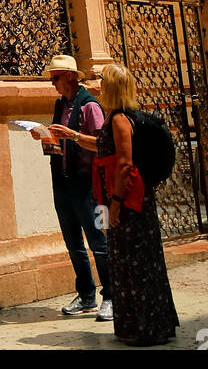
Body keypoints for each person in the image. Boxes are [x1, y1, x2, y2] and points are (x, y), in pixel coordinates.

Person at [54, 62, 179, 346]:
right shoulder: (114, 117)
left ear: (112, 86)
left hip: (129, 202)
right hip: (122, 199)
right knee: (127, 261)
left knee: (136, 263)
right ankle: (137, 326)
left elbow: (124, 164)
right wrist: (72, 135)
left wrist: (116, 205)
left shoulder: (121, 119)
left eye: (102, 79)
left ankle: (146, 329)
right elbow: (101, 146)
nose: (97, 83)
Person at [36, 54, 112, 320]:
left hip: (86, 185)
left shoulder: (90, 106)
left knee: (98, 242)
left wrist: (74, 136)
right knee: (73, 244)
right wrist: (47, 136)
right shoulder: (61, 105)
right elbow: (61, 141)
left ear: (70, 77)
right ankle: (87, 295)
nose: (52, 84)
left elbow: (101, 143)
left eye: (55, 78)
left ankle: (112, 295)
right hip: (63, 182)